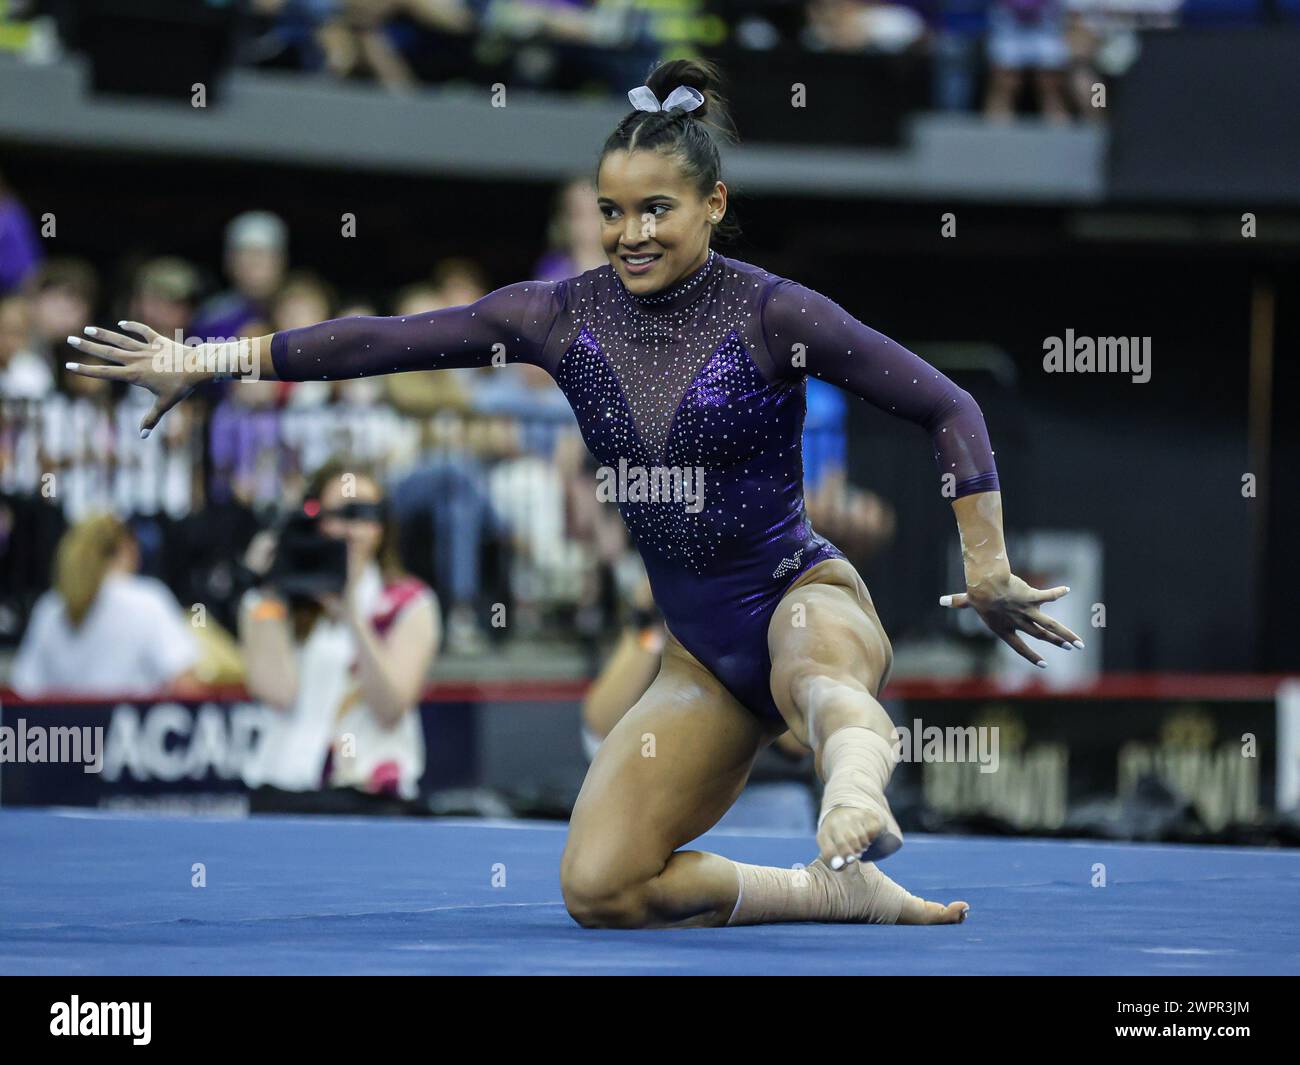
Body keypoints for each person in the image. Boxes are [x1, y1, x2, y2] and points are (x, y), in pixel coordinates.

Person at [67, 58, 1082, 928]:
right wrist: (207, 359)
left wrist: (985, 562)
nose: (628, 233)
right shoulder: (557, 316)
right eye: (610, 211)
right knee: (600, 888)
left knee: (817, 682)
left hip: (796, 591)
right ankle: (834, 894)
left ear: (712, 206)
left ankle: (856, 792)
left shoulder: (774, 313)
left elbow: (950, 406)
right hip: (695, 652)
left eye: (655, 210)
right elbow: (381, 341)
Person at [238, 462, 439, 799]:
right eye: (340, 515)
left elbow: (389, 708)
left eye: (365, 515)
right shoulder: (273, 602)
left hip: (366, 793)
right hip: (283, 787)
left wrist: (353, 617)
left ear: (382, 527)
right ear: (316, 520)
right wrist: (269, 588)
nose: (352, 529)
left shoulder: (409, 602)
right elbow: (278, 692)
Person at [11, 514, 202, 697]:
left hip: (63, 731)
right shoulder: (148, 601)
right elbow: (186, 687)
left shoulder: (50, 607)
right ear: (127, 548)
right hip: (126, 729)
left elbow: (23, 690)